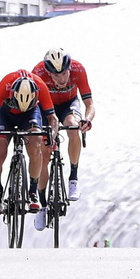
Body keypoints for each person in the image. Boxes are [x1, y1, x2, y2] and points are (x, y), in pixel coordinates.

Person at [0, 69, 51, 218]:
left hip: (31, 114)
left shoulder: (41, 86)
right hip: (5, 113)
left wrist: (49, 138)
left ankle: (33, 192)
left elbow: (52, 118)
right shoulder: (5, 84)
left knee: (35, 143)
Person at [35, 47, 94, 198]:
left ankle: (73, 179)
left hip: (69, 104)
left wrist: (86, 119)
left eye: (64, 73)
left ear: (69, 68)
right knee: (44, 151)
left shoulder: (78, 69)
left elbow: (89, 104)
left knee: (73, 126)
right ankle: (42, 201)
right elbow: (32, 106)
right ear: (48, 73)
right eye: (56, 75)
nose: (61, 79)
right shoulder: (38, 73)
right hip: (47, 109)